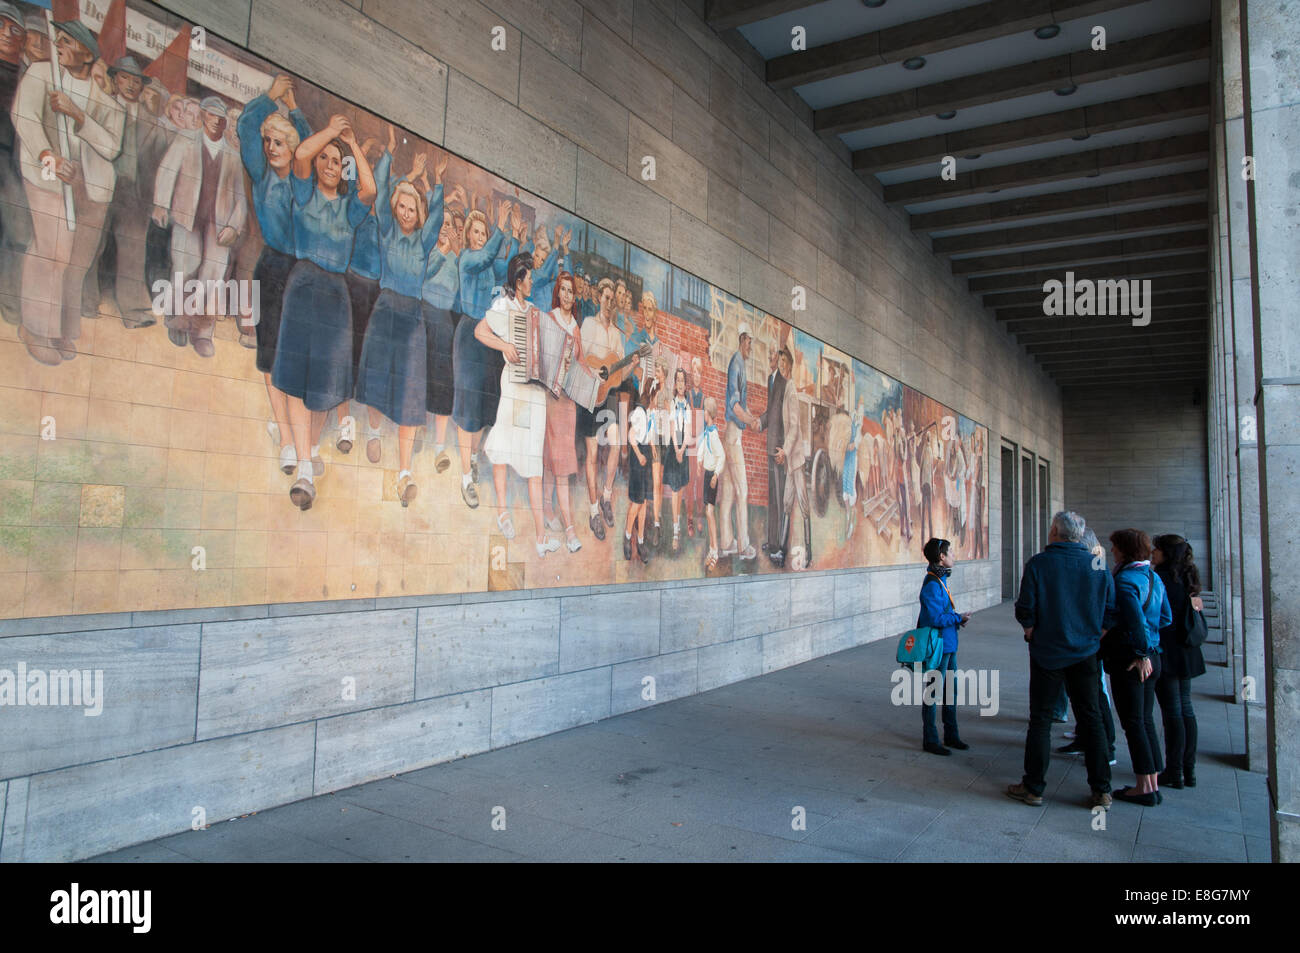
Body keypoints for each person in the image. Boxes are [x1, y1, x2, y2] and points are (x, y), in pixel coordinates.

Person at [274, 113, 377, 509]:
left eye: (337, 162)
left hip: (336, 296)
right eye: (326, 160)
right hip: (302, 288)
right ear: (317, 166)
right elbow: (300, 153)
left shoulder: (351, 210)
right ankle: (303, 467)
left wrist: (351, 144)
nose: (331, 166)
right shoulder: (304, 193)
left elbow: (369, 186)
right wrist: (332, 133)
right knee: (300, 382)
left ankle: (308, 451)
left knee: (323, 386)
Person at [11, 18, 124, 365]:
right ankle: (35, 328)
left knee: (76, 264)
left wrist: (77, 114)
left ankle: (59, 328)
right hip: (47, 176)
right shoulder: (43, 74)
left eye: (66, 41)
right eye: (57, 39)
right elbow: (24, 116)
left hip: (90, 190)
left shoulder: (108, 104)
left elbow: (110, 147)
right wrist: (50, 157)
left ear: (87, 54)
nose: (58, 45)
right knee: (52, 252)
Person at [1007, 512, 1116, 808]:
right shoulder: (1097, 565)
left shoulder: (1040, 563)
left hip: (1047, 653)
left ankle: (1033, 788)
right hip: (1086, 653)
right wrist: (1094, 637)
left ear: (1055, 531)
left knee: (1041, 721)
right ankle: (1102, 789)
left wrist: (1031, 632)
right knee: (1091, 718)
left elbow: (1025, 607)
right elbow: (1111, 611)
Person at [355, 145, 442, 506]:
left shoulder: (423, 242)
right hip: (386, 308)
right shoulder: (387, 232)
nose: (406, 212)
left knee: (409, 392)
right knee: (377, 377)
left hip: (412, 320)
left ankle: (405, 471)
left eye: (412, 208)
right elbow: (377, 197)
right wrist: (391, 160)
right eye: (402, 207)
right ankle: (374, 431)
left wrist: (435, 183)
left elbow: (436, 217)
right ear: (396, 209)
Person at [237, 74, 311, 475]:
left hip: (301, 275)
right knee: (269, 358)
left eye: (278, 142)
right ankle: (285, 438)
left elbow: (313, 143)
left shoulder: (304, 183)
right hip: (271, 269)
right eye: (268, 142)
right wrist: (270, 97)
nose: (270, 148)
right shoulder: (262, 174)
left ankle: (296, 439)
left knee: (293, 361)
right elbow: (246, 125)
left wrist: (295, 109)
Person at [152, 95, 248, 357]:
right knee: (185, 268)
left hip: (217, 225)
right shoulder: (185, 140)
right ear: (203, 115)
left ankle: (203, 333)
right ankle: (178, 322)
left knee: (212, 277)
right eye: (212, 115)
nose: (216, 122)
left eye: (221, 118)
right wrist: (161, 204)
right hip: (187, 216)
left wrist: (235, 227)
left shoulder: (233, 155)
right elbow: (167, 170)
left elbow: (241, 198)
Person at [479, 252, 560, 557]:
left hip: (534, 393)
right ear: (518, 280)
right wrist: (506, 346)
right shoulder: (504, 307)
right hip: (513, 385)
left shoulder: (535, 312)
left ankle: (541, 538)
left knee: (533, 460)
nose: (532, 281)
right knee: (502, 447)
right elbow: (480, 331)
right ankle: (503, 511)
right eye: (529, 277)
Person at [90, 55, 169, 329]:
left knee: (134, 252)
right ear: (115, 79)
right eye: (125, 78)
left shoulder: (152, 122)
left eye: (136, 80)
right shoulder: (102, 107)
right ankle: (84, 301)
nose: (131, 85)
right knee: (92, 245)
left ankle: (135, 311)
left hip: (136, 197)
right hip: (101, 187)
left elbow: (164, 160)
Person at [451, 199, 515, 508]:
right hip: (468, 336)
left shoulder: (490, 265)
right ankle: (465, 477)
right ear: (467, 236)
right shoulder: (467, 259)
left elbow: (509, 266)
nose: (479, 236)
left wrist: (512, 234)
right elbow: (489, 254)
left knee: (486, 407)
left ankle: (473, 457)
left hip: (489, 339)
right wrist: (501, 227)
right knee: (468, 409)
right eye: (475, 232)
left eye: (483, 232)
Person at [1105, 528, 1173, 807]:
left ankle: (1144, 787)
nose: (1112, 552)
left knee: (1134, 723)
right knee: (1145, 721)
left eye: (1115, 547)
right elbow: (1166, 617)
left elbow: (1133, 621)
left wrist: (1140, 652)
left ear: (1125, 550)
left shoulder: (1126, 580)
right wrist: (1150, 646)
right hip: (1153, 655)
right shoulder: (1153, 577)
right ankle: (1152, 782)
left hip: (1134, 660)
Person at [1056, 528, 1118, 765]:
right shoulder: (1092, 567)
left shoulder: (1095, 568)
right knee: (1083, 696)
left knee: (1095, 697)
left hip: (1087, 646)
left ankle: (1106, 748)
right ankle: (1085, 738)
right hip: (1080, 643)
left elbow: (1109, 610)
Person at [1152, 533, 1206, 790]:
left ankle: (1174, 770)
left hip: (1168, 652)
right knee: (1186, 708)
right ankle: (1188, 769)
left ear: (1166, 553)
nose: (1153, 553)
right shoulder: (1188, 577)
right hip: (1187, 651)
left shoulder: (1160, 579)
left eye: (1157, 550)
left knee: (1172, 710)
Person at [577, 277, 625, 540]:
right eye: (605, 298)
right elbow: (580, 357)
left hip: (609, 397)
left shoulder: (616, 334)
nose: (609, 303)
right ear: (598, 298)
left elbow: (619, 369)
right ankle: (593, 511)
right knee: (593, 454)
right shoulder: (588, 325)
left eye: (612, 300)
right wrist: (595, 371)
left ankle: (606, 496)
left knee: (617, 443)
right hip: (589, 393)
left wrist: (629, 365)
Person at [540, 271, 583, 553]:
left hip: (569, 402)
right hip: (552, 397)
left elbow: (578, 363)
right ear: (559, 292)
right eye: (563, 290)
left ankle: (547, 508)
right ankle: (569, 529)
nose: (567, 295)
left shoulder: (576, 326)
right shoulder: (551, 318)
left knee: (552, 458)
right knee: (559, 462)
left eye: (571, 291)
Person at [917, 537, 970, 755]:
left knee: (951, 692)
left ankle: (951, 735)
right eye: (951, 553)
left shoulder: (941, 579)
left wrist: (957, 619)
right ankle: (930, 739)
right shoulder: (932, 583)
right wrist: (958, 618)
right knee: (933, 693)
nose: (954, 556)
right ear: (941, 557)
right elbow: (935, 618)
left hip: (948, 643)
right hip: (938, 646)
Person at [719, 322, 762, 561]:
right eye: (749, 342)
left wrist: (750, 420)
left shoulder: (739, 364)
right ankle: (743, 545)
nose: (751, 347)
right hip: (733, 434)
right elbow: (735, 406)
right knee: (742, 490)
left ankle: (726, 542)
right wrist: (751, 420)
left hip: (732, 433)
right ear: (741, 340)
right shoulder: (736, 363)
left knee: (727, 492)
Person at [773, 348, 810, 569]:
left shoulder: (792, 390)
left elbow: (795, 427)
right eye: (779, 362)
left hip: (796, 459)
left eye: (784, 362)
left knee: (803, 504)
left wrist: (785, 450)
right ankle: (781, 549)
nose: (781, 365)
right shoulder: (787, 388)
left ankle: (809, 549)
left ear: (790, 365)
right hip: (790, 461)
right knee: (787, 503)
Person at [759, 341, 788, 562]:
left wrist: (783, 449)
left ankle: (779, 547)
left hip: (778, 449)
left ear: (778, 358)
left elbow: (784, 418)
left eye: (772, 354)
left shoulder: (783, 383)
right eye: (768, 354)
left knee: (779, 498)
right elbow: (770, 412)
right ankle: (771, 541)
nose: (769, 357)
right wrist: (759, 423)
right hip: (771, 447)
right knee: (772, 498)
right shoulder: (770, 380)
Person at [663, 367, 691, 553]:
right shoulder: (673, 403)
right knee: (674, 491)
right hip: (674, 449)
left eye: (683, 381)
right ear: (675, 384)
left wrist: (683, 448)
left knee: (680, 490)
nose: (680, 384)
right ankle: (674, 531)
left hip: (683, 448)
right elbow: (673, 428)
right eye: (678, 381)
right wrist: (676, 449)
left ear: (686, 385)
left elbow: (688, 430)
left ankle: (678, 525)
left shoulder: (687, 406)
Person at [623, 386, 652, 564]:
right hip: (638, 456)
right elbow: (631, 434)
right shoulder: (640, 412)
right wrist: (640, 454)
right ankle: (627, 536)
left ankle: (640, 540)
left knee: (644, 503)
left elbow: (647, 435)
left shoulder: (649, 415)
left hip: (645, 455)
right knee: (637, 502)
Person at [697, 395, 725, 570]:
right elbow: (702, 447)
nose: (703, 414)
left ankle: (715, 551)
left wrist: (716, 474)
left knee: (709, 512)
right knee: (708, 513)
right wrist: (700, 460)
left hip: (712, 478)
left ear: (708, 413)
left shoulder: (713, 434)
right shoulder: (707, 432)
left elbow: (721, 455)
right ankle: (712, 548)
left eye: (704, 412)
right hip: (707, 475)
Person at [686, 355, 705, 537]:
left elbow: (705, 425)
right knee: (690, 481)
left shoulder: (705, 399)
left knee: (700, 481)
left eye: (699, 373)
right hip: (690, 444)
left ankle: (700, 516)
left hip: (700, 445)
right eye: (694, 373)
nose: (697, 376)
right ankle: (689, 518)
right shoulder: (688, 396)